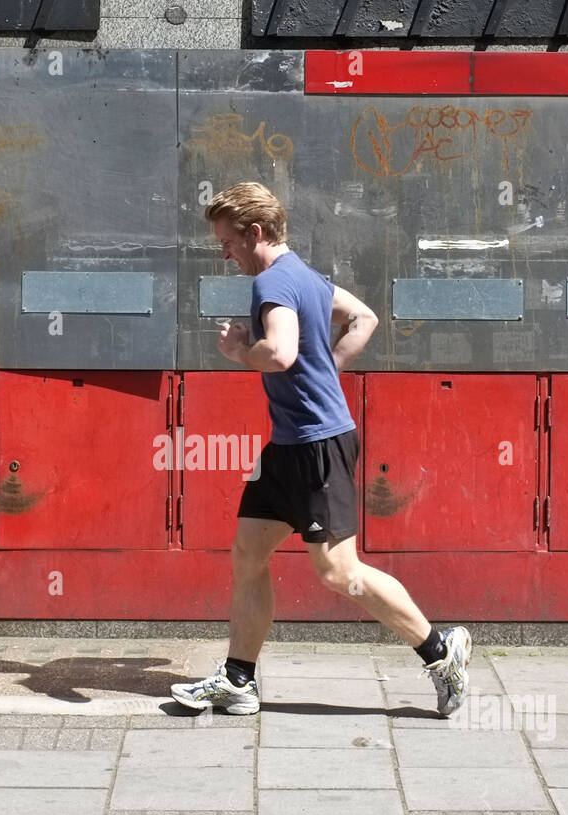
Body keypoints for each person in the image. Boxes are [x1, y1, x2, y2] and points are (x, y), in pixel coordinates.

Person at [170, 181, 471, 718]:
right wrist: (326, 369)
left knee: (338, 571)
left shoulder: (272, 285)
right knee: (248, 554)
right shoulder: (306, 276)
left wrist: (239, 350)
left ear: (255, 233)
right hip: (290, 445)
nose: (224, 253)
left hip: (317, 446)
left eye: (228, 242)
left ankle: (440, 651)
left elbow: (280, 353)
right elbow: (365, 318)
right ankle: (239, 680)